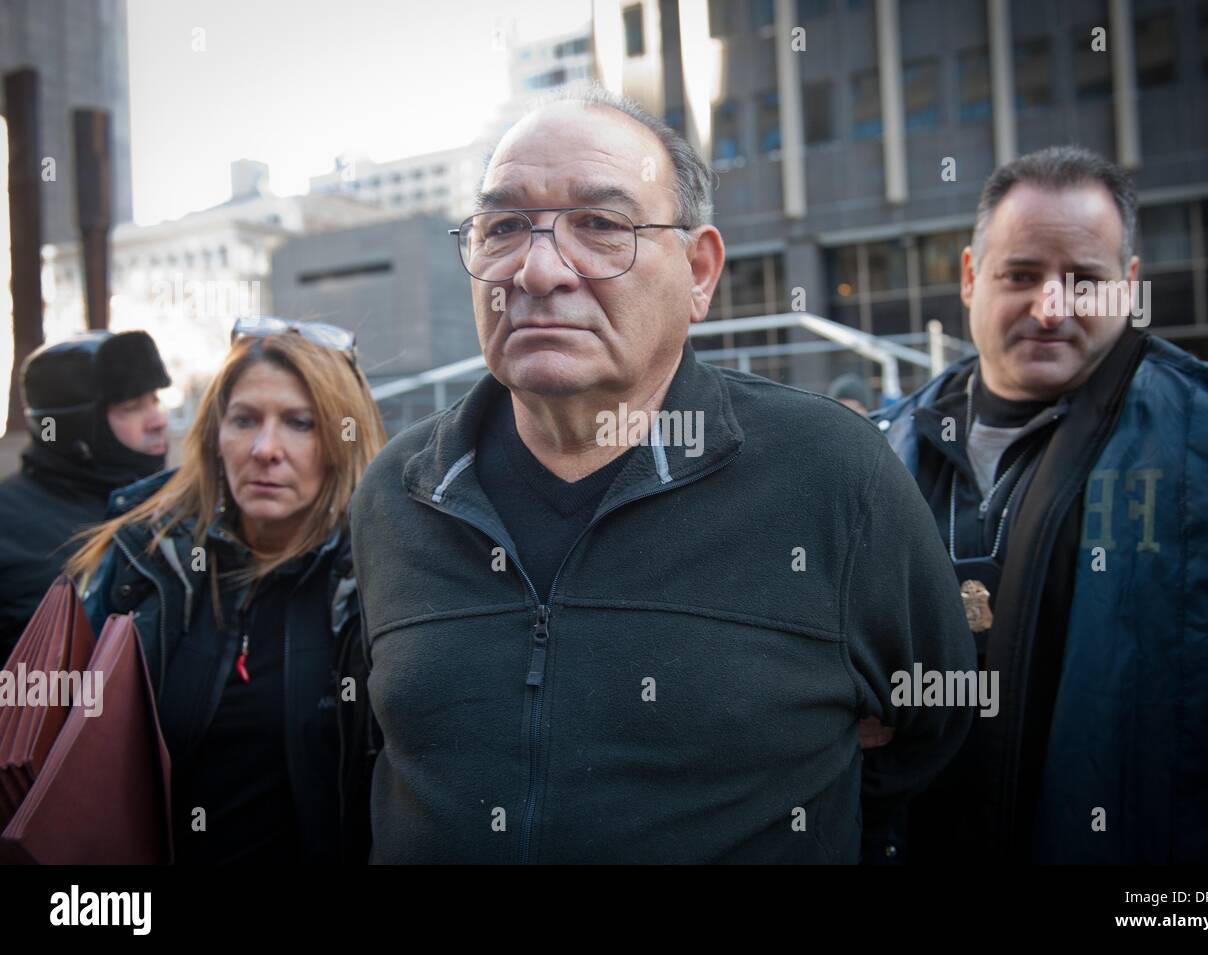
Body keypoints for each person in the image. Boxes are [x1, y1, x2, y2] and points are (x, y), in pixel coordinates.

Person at [345, 86, 975, 864]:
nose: (538, 270)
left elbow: (934, 728)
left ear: (699, 272)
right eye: (503, 226)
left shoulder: (835, 474)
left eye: (601, 226)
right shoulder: (396, 491)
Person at [873, 145, 1208, 864]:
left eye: (1084, 279)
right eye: (1022, 275)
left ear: (1129, 286)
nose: (1051, 308)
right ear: (972, 278)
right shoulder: (881, 455)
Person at [68, 319, 386, 864]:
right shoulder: (147, 558)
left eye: (300, 423)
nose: (266, 449)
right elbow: (72, 736)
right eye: (244, 420)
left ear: (339, 440)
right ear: (216, 436)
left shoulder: (378, 578)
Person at [0, 330, 170, 660]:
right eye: (132, 407)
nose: (158, 420)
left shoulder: (176, 507)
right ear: (75, 426)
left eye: (155, 400)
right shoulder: (7, 524)